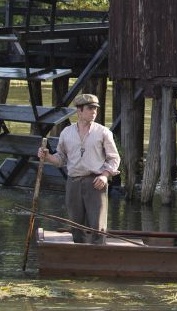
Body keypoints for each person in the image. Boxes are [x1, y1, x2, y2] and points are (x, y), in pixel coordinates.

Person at [37, 94, 120, 244]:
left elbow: (114, 158)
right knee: (76, 226)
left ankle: (97, 257)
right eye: (90, 108)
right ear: (79, 111)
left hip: (95, 182)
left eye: (96, 109)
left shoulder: (103, 132)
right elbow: (61, 159)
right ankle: (80, 256)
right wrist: (48, 157)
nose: (94, 112)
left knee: (98, 227)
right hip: (73, 182)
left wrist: (105, 175)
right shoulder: (66, 133)